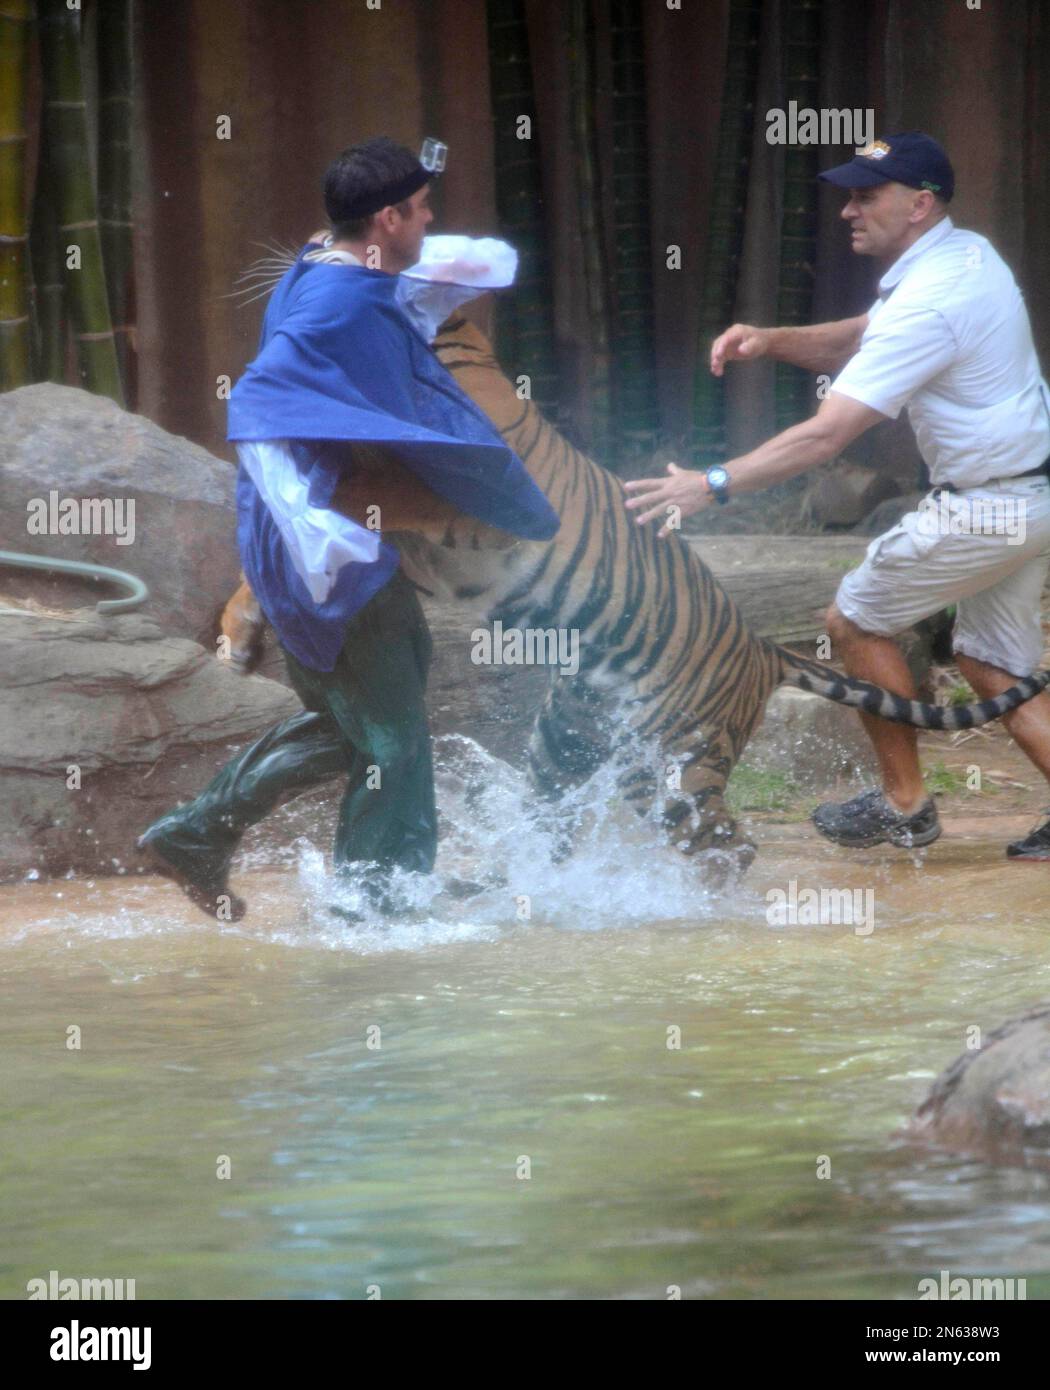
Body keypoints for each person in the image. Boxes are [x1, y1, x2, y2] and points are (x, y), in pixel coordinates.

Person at [137, 137, 558, 919]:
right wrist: (327, 509)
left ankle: (199, 833)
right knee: (393, 742)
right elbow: (263, 397)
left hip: (295, 535)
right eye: (422, 210)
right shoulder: (343, 304)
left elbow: (458, 262)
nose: (432, 221)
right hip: (322, 546)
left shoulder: (325, 262)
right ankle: (379, 904)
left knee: (352, 717)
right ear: (388, 217)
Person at [625, 132, 1050, 860]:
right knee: (994, 665)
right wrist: (772, 340)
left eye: (866, 196)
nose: (848, 210)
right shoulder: (963, 253)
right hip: (1027, 495)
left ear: (919, 205)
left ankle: (904, 804)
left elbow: (826, 438)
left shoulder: (933, 300)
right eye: (848, 195)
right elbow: (865, 336)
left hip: (986, 508)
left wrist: (710, 483)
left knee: (853, 619)